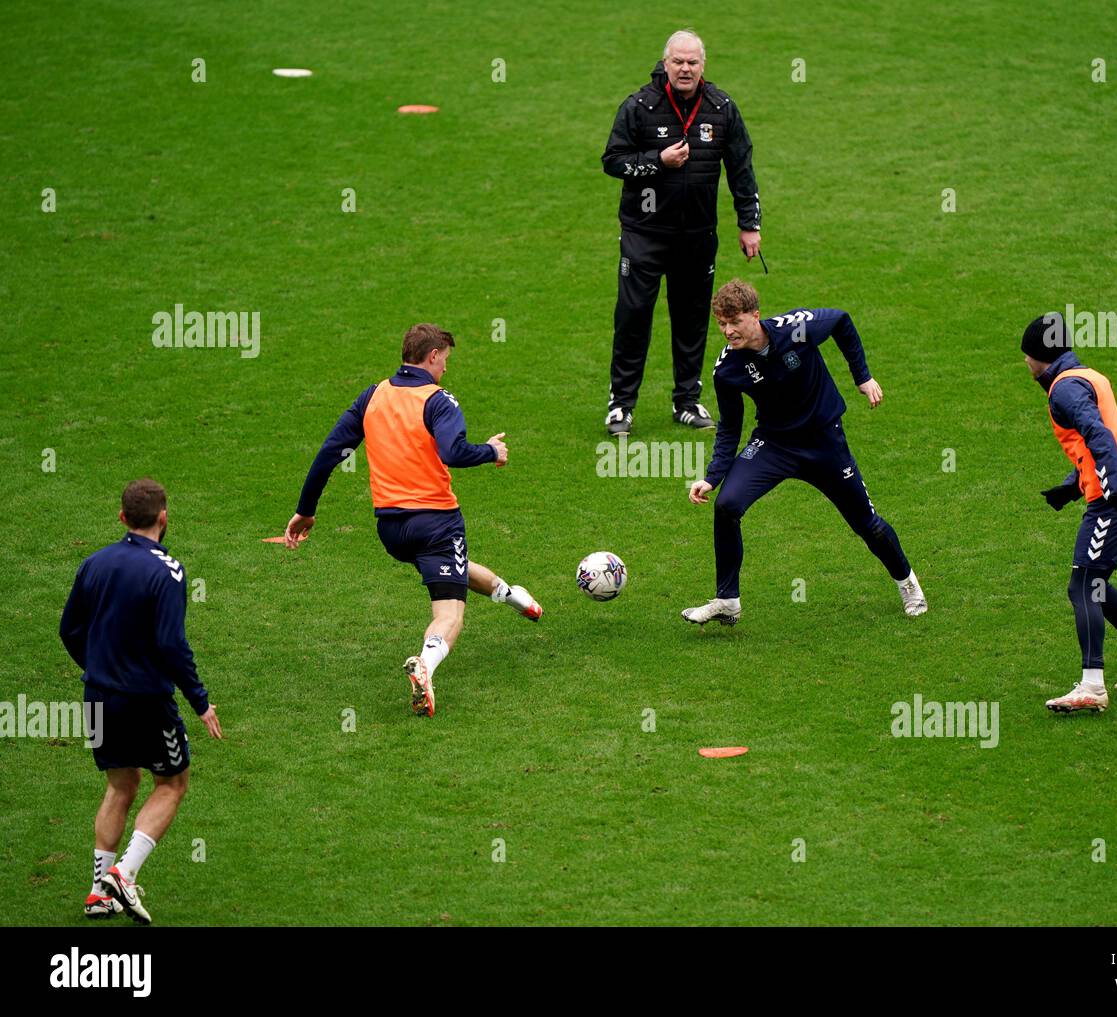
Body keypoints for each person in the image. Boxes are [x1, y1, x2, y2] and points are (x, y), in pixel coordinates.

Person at [283, 323, 541, 717]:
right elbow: (452, 452)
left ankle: (513, 595)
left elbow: (329, 453)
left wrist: (306, 510)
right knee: (449, 613)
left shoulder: (372, 396)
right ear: (433, 356)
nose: (446, 370)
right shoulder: (439, 400)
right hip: (436, 521)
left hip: (392, 530)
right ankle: (426, 664)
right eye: (445, 361)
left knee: (451, 567)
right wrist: (490, 451)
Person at [682, 280, 927, 624]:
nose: (728, 331)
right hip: (774, 445)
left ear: (755, 315)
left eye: (734, 321)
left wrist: (863, 377)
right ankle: (727, 600)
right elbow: (729, 428)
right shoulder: (728, 369)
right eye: (721, 323)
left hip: (824, 442)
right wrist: (712, 477)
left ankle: (907, 582)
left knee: (864, 522)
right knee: (726, 505)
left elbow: (841, 320)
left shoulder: (796, 328)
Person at [59, 478, 223, 924]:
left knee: (119, 785)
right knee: (172, 782)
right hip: (146, 700)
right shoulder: (167, 570)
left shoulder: (93, 563)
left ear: (122, 518)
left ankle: (98, 892)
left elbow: (69, 630)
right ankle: (125, 875)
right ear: (163, 517)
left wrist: (98, 667)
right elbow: (172, 645)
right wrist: (200, 701)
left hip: (97, 696)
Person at [601, 29, 762, 436]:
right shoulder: (640, 106)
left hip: (697, 234)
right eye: (678, 62)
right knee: (634, 315)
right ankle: (621, 405)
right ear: (666, 64)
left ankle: (687, 401)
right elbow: (614, 161)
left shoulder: (721, 108)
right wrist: (658, 161)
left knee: (691, 318)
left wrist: (749, 224)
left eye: (692, 62)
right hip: (644, 232)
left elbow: (741, 167)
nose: (685, 68)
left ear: (702, 65)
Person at [1021, 314, 1117, 714]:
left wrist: (1113, 491)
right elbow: (1093, 442)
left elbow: (1100, 437)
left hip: (1114, 500)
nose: (1026, 364)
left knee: (1082, 586)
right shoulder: (1086, 376)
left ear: (1041, 356)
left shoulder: (1062, 391)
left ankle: (1092, 686)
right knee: (1095, 580)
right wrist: (1072, 486)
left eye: (1028, 356)